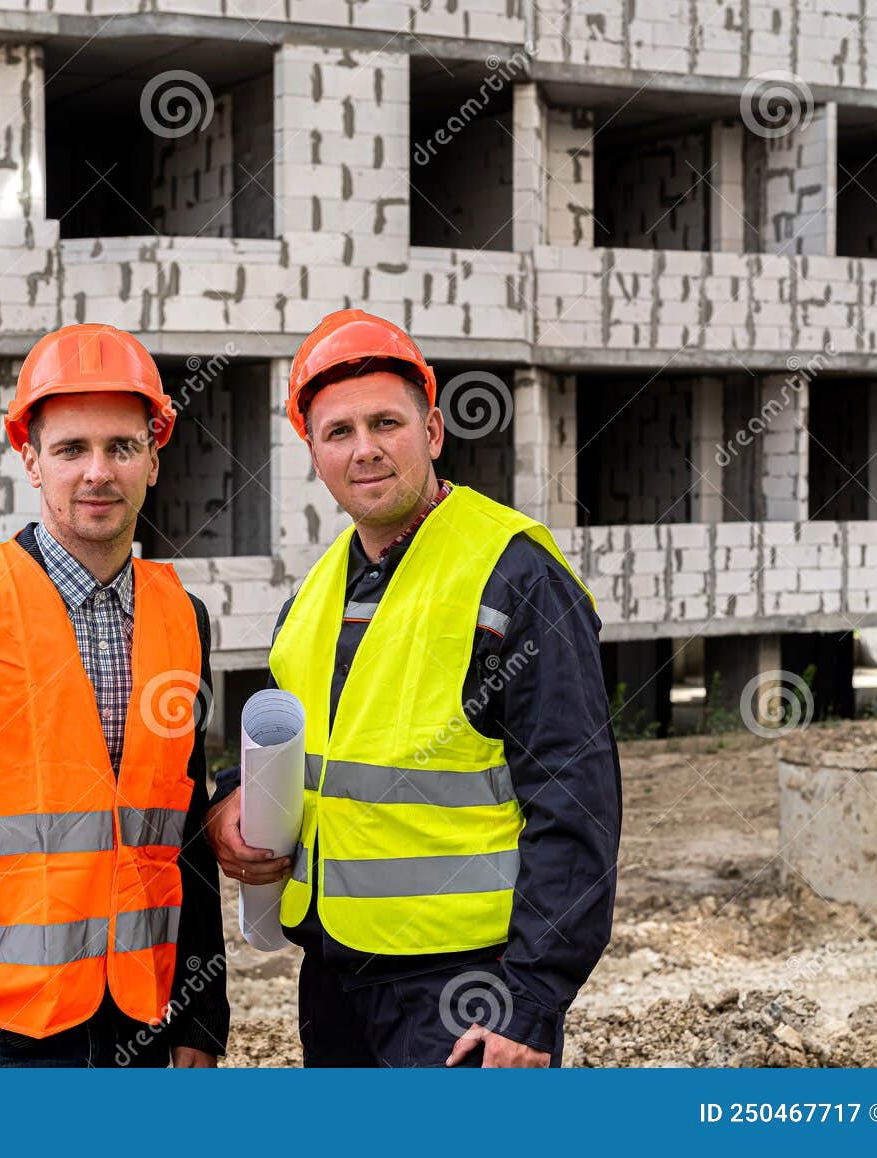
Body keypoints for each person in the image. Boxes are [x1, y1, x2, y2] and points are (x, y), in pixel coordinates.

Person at [205, 310, 621, 1068]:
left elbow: (576, 801)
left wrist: (531, 1003)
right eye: (338, 433)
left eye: (385, 423)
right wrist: (230, 795)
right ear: (314, 452)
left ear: (432, 431)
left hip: (467, 986)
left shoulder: (514, 574)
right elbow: (317, 739)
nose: (363, 449)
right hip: (336, 971)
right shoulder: (323, 585)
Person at [0, 323, 227, 1067]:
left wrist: (199, 1014)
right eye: (71, 449)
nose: (99, 472)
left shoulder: (182, 615)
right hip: (1, 1042)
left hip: (146, 1025)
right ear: (29, 458)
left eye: (122, 447)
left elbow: (180, 824)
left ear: (154, 457)